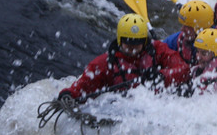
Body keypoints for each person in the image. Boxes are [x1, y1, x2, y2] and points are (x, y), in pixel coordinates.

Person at [58, 13, 190, 102]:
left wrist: (162, 76)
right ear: (120, 40)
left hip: (155, 105)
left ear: (144, 41)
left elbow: (183, 69)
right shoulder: (105, 63)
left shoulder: (158, 50)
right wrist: (69, 94)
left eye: (137, 44)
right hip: (122, 108)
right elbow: (84, 85)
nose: (132, 48)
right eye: (128, 44)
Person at [164, 0, 217, 66]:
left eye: (188, 27)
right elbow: (160, 48)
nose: (182, 29)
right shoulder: (180, 39)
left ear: (200, 28)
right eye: (183, 25)